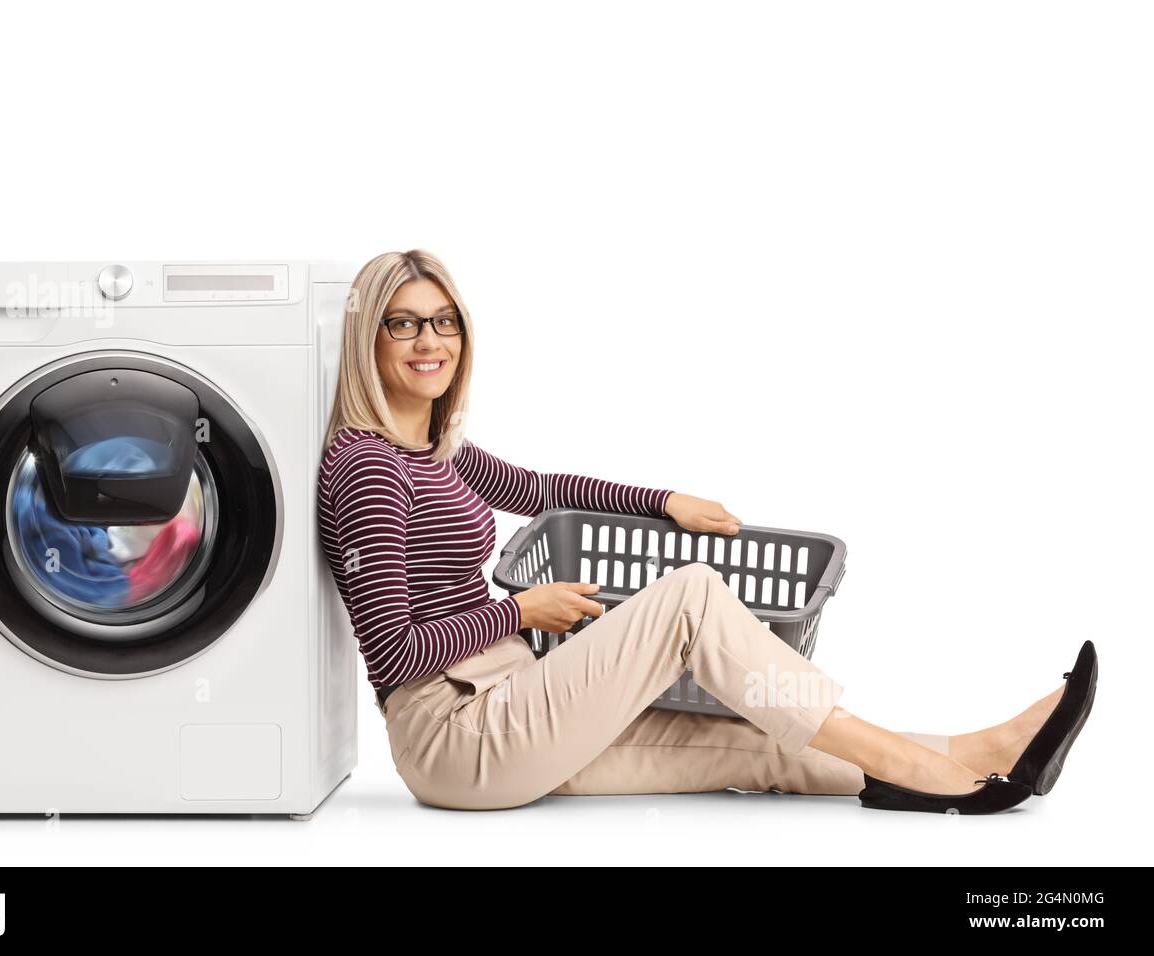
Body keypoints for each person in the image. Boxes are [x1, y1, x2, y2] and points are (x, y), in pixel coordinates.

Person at [316, 249, 1097, 814]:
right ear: (369, 341)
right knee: (689, 597)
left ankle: (970, 755)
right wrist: (521, 612)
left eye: (444, 321)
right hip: (460, 736)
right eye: (404, 324)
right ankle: (910, 764)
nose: (431, 341)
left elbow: (542, 489)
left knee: (756, 740)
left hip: (514, 702)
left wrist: (665, 502)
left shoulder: (430, 450)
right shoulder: (369, 468)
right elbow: (392, 654)